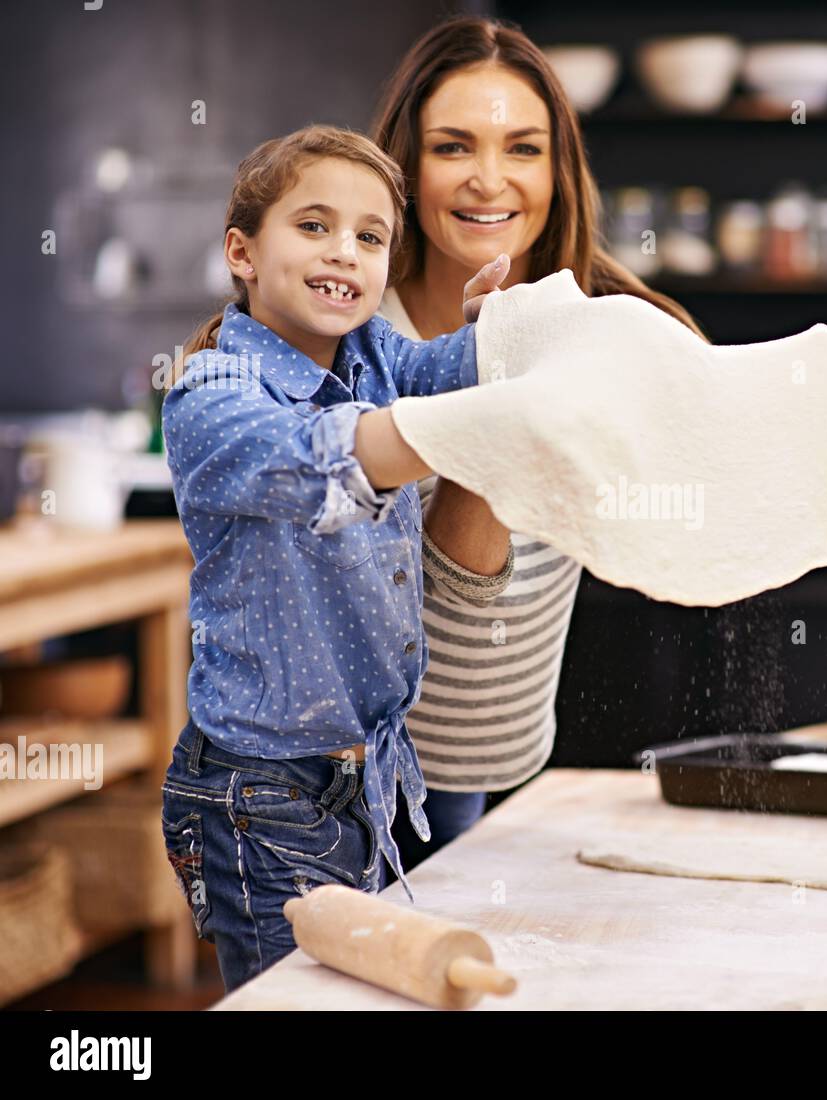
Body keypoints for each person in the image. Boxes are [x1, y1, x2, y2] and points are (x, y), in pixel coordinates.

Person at [370, 16, 827, 871]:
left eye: (523, 148)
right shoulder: (361, 340)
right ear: (403, 166)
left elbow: (721, 440)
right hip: (347, 773)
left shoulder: (610, 327)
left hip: (494, 761)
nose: (489, 180)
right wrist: (490, 404)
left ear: (560, 170)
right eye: (452, 147)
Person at [158, 123, 512, 991]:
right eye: (313, 226)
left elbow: (454, 372)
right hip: (255, 796)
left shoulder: (373, 355)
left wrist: (504, 334)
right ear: (242, 252)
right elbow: (337, 456)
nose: (344, 253)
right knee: (293, 1003)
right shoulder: (210, 395)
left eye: (370, 236)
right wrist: (491, 410)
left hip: (355, 784)